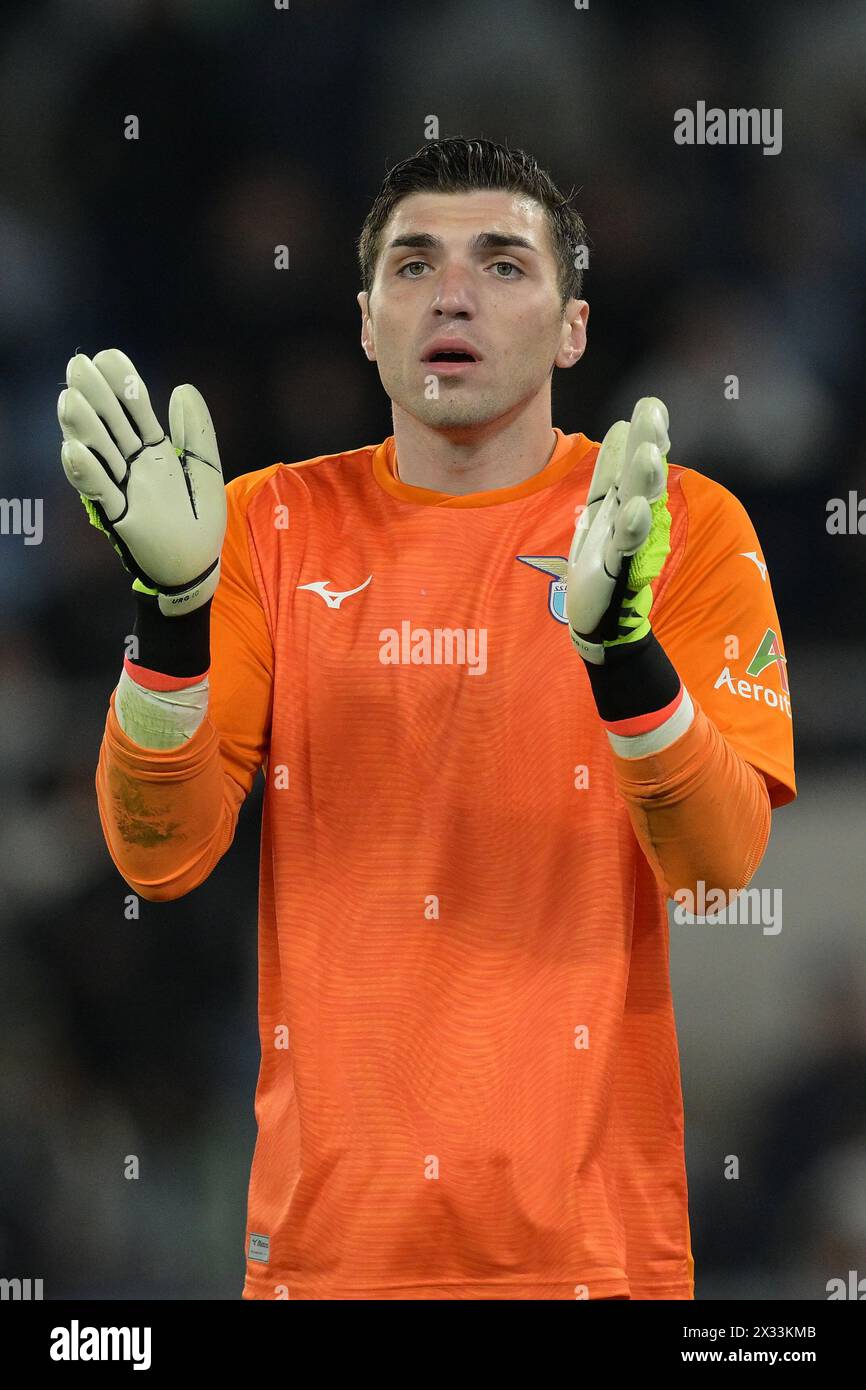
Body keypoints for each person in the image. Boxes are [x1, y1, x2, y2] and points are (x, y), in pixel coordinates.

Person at [58, 137, 796, 1300]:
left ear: (572, 329)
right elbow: (159, 856)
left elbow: (717, 865)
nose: (450, 292)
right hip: (328, 1257)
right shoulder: (263, 524)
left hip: (591, 1260)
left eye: (502, 264)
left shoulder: (678, 524)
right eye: (412, 265)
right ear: (364, 322)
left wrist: (621, 656)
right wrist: (172, 616)